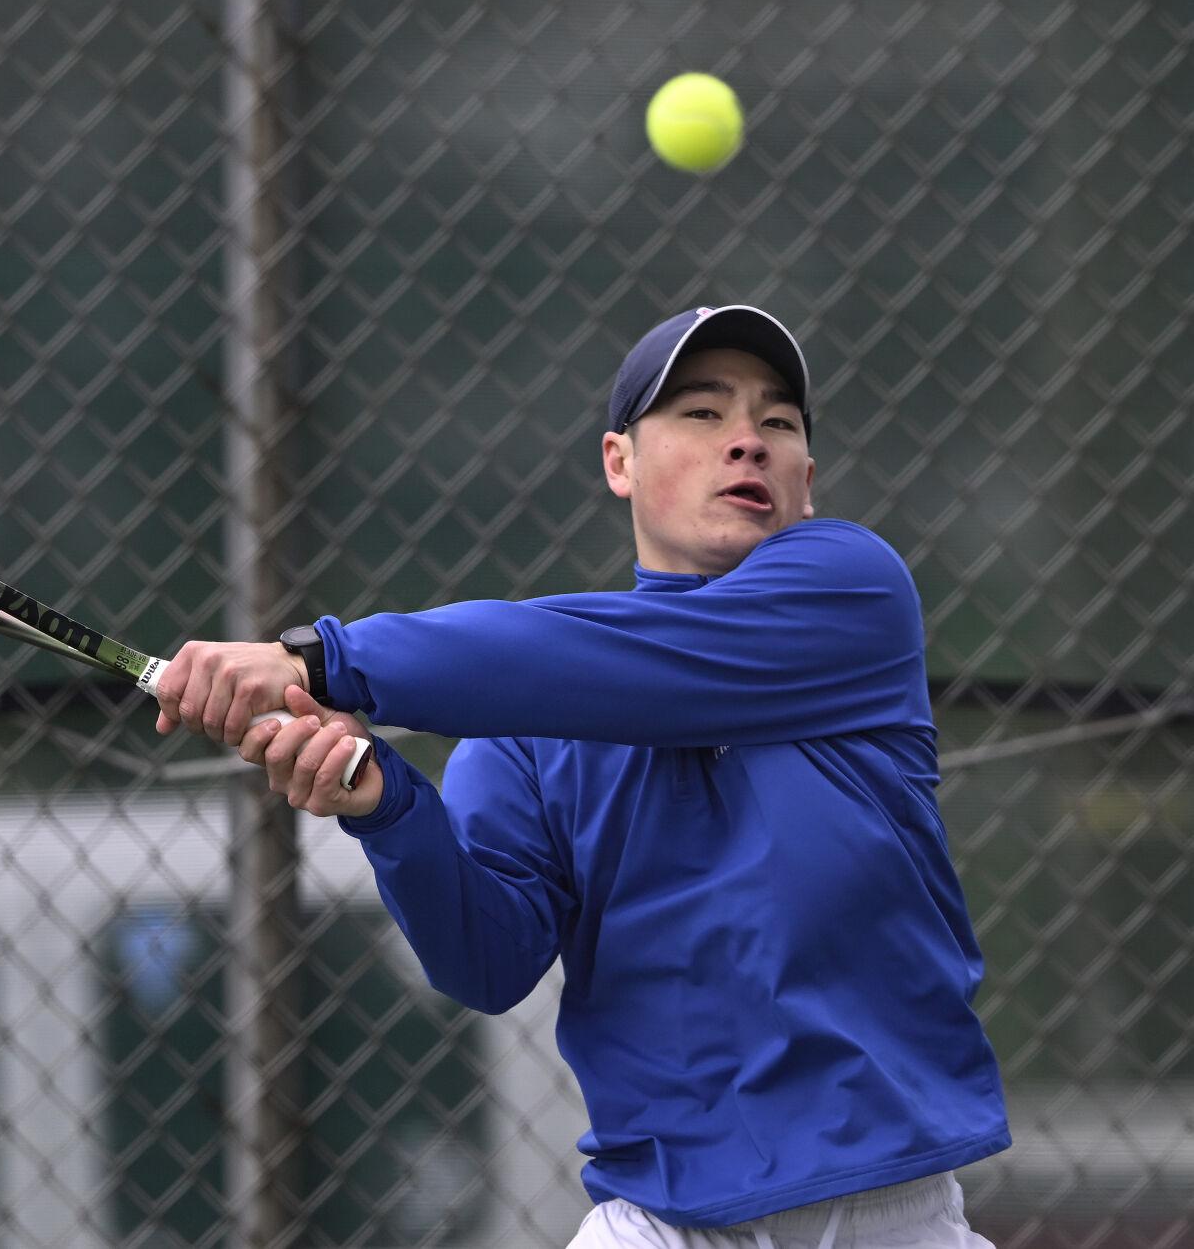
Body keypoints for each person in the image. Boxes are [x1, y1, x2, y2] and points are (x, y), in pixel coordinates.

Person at [152, 305, 1011, 1248]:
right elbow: (487, 960)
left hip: (896, 1216)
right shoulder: (524, 720)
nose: (746, 444)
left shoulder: (854, 593)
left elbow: (646, 663)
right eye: (700, 413)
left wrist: (322, 658)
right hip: (665, 1222)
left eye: (778, 422)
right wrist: (388, 806)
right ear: (619, 462)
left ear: (808, 479)